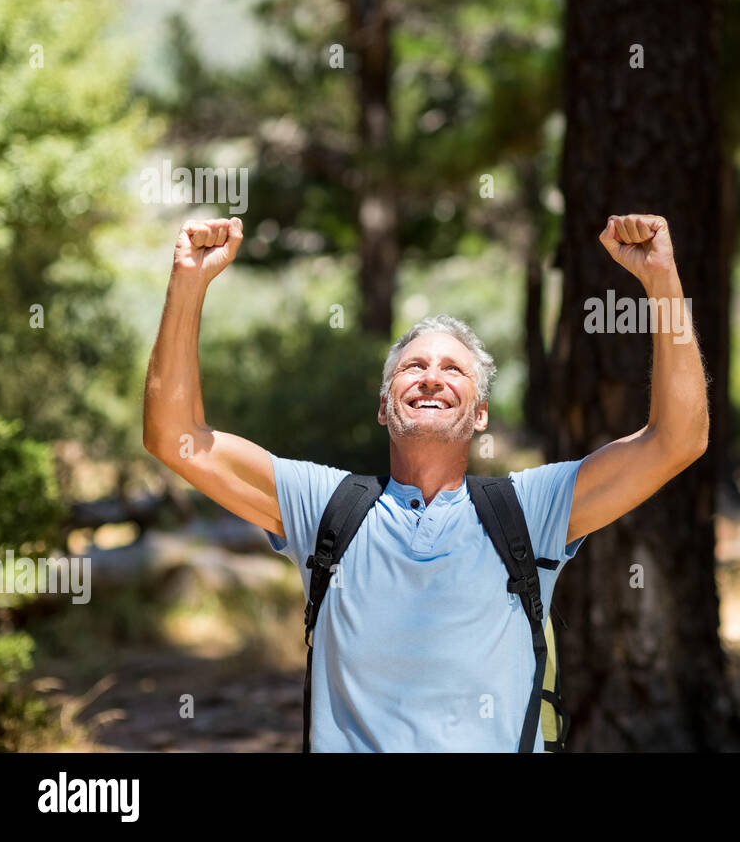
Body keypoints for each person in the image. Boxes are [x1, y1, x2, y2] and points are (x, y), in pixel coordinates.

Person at [142, 213, 708, 750]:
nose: (432, 377)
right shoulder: (326, 508)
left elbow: (677, 440)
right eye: (413, 367)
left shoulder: (529, 511)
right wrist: (189, 284)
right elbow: (175, 436)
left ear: (480, 413)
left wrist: (661, 281)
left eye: (453, 369)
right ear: (385, 409)